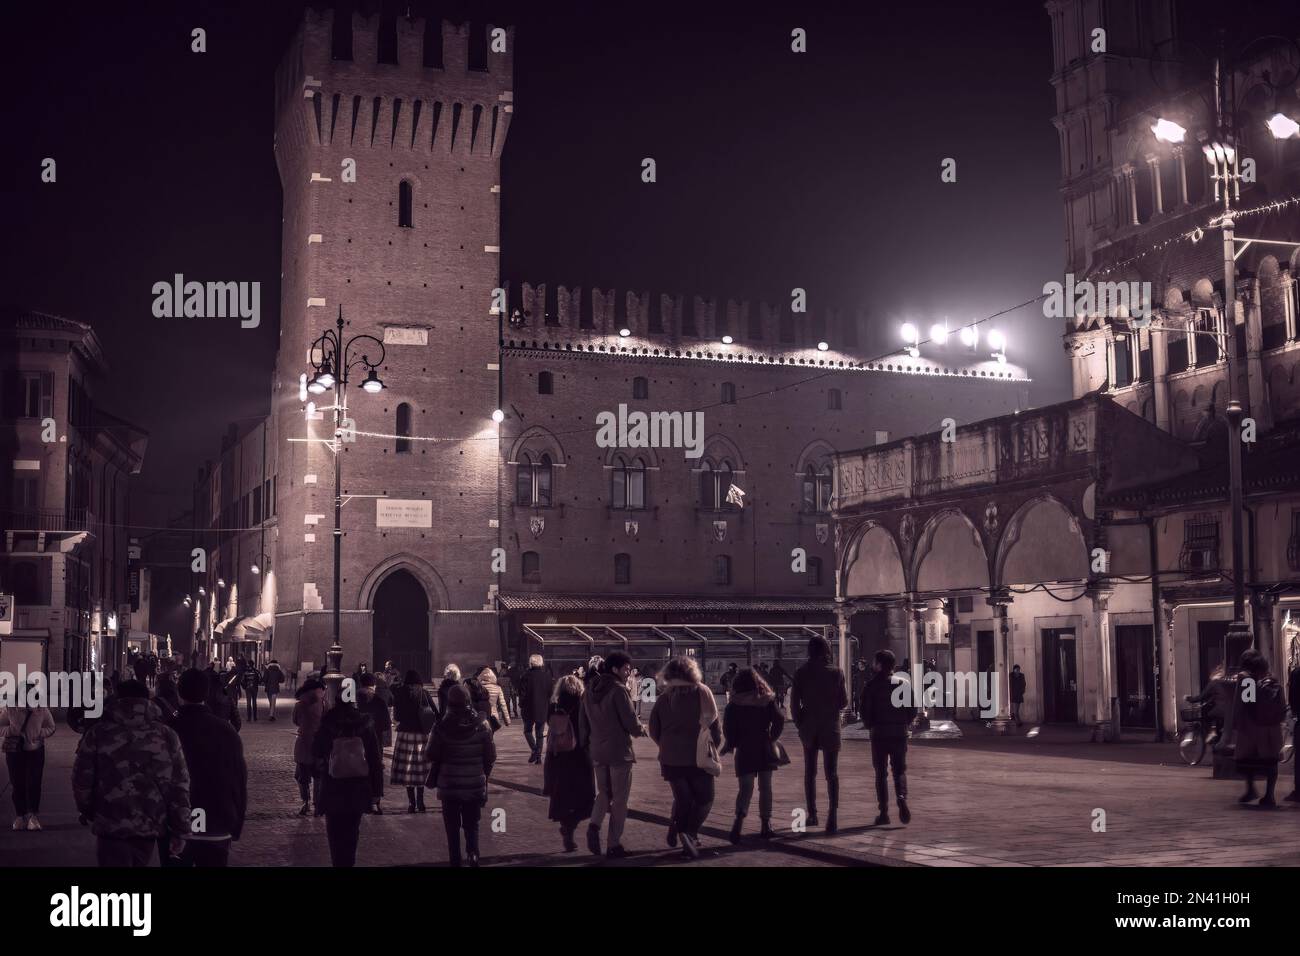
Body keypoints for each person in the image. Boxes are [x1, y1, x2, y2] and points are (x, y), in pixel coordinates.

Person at [71, 680, 190, 867]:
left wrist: (90, 811)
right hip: (149, 822)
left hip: (110, 822)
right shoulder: (166, 735)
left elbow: (82, 779)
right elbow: (179, 785)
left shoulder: (98, 733)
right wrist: (180, 828)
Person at [164, 670, 247, 866]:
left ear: (179, 693)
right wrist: (236, 822)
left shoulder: (168, 729)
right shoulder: (226, 731)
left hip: (176, 824)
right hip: (216, 821)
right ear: (206, 693)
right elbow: (238, 779)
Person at [649, 655, 721, 860]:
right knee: (705, 798)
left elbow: (654, 728)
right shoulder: (702, 692)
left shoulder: (664, 697)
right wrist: (714, 747)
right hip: (697, 755)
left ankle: (678, 828)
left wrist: (666, 745)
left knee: (683, 798)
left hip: (670, 758)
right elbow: (715, 725)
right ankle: (688, 833)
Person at [580, 650, 646, 859]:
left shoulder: (588, 690)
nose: (629, 673)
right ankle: (613, 844)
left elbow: (583, 723)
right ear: (615, 669)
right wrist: (640, 729)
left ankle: (594, 825)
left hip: (597, 749)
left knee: (603, 793)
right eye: (626, 669)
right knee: (619, 800)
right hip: (618, 751)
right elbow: (630, 722)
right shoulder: (618, 691)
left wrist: (587, 745)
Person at [425, 683, 496, 867]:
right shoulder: (482, 725)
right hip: (474, 784)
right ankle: (473, 855)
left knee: (452, 827)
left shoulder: (441, 726)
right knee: (472, 824)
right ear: (468, 701)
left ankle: (455, 860)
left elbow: (430, 754)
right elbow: (490, 756)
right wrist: (483, 774)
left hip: (449, 785)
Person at [312, 693, 383, 867]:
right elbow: (375, 758)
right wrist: (377, 791)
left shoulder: (329, 722)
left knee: (334, 833)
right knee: (352, 832)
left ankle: (338, 863)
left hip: (333, 787)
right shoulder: (364, 723)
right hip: (357, 787)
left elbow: (317, 749)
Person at [789, 635, 848, 833]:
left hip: (809, 727)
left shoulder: (801, 672)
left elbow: (794, 704)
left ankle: (812, 813)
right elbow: (843, 702)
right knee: (832, 773)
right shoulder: (836, 672)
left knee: (810, 772)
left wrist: (800, 724)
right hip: (830, 726)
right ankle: (833, 815)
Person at [721, 667, 784, 843]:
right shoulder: (766, 700)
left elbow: (728, 728)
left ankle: (738, 821)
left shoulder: (733, 704)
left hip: (744, 748)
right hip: (764, 746)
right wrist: (772, 737)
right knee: (765, 787)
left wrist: (731, 743)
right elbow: (779, 719)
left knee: (745, 788)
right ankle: (766, 824)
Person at [861, 649, 915, 826]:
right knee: (899, 770)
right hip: (899, 732)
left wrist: (871, 725)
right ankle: (901, 797)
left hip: (879, 734)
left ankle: (883, 811)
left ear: (878, 665)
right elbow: (912, 710)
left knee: (881, 773)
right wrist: (903, 723)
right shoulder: (903, 684)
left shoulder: (870, 686)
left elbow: (865, 713)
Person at [543, 674, 595, 851]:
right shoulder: (582, 704)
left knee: (563, 799)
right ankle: (570, 827)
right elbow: (589, 728)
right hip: (579, 756)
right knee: (588, 800)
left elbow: (549, 723)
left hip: (557, 755)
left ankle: (568, 833)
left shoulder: (553, 705)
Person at [1, 677, 57, 831]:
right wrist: (11, 731)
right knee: (16, 783)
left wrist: (39, 734)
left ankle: (32, 816)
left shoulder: (41, 709)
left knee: (34, 783)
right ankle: (20, 815)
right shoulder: (10, 708)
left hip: (35, 750)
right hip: (15, 752)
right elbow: (1, 726)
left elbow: (51, 727)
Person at [1232, 649, 1285, 808]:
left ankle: (1251, 790)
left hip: (1254, 729)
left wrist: (1237, 724)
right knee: (1271, 762)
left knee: (1246, 760)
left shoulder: (1247, 681)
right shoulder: (1272, 681)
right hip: (1273, 728)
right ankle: (1269, 795)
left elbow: (1247, 706)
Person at [392, 670, 436, 812]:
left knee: (408, 770)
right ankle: (421, 803)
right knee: (420, 769)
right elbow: (435, 712)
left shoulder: (399, 693)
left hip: (405, 734)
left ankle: (411, 804)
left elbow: (397, 716)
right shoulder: (424, 693)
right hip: (422, 734)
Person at [356, 673, 391, 813]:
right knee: (375, 770)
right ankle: (375, 802)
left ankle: (359, 799)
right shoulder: (379, 700)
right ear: (373, 685)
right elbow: (386, 724)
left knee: (357, 769)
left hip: (356, 741)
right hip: (375, 741)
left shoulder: (355, 700)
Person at [292, 678, 327, 816]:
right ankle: (318, 805)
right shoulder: (324, 704)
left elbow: (295, 721)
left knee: (302, 776)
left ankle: (305, 802)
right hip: (319, 743)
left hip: (303, 744)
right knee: (318, 775)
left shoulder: (299, 705)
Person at [519, 653, 553, 764]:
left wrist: (521, 705)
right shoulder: (547, 676)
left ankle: (535, 750)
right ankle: (538, 757)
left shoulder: (525, 676)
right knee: (540, 733)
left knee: (527, 731)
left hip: (528, 709)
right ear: (541, 662)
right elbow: (550, 693)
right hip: (542, 709)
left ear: (530, 663)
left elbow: (522, 694)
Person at [1186, 665, 1232, 746]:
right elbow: (1218, 695)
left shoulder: (1213, 683)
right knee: (1219, 723)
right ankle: (1217, 740)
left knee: (1209, 715)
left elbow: (1201, 697)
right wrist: (1208, 701)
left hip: (1222, 709)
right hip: (1230, 709)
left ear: (1213, 674)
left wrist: (1189, 699)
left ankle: (1212, 732)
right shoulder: (1224, 682)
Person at [472, 666, 511, 732]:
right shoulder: (497, 688)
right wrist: (507, 720)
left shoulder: (477, 688)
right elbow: (502, 704)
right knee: (491, 734)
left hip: (480, 716)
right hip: (493, 717)